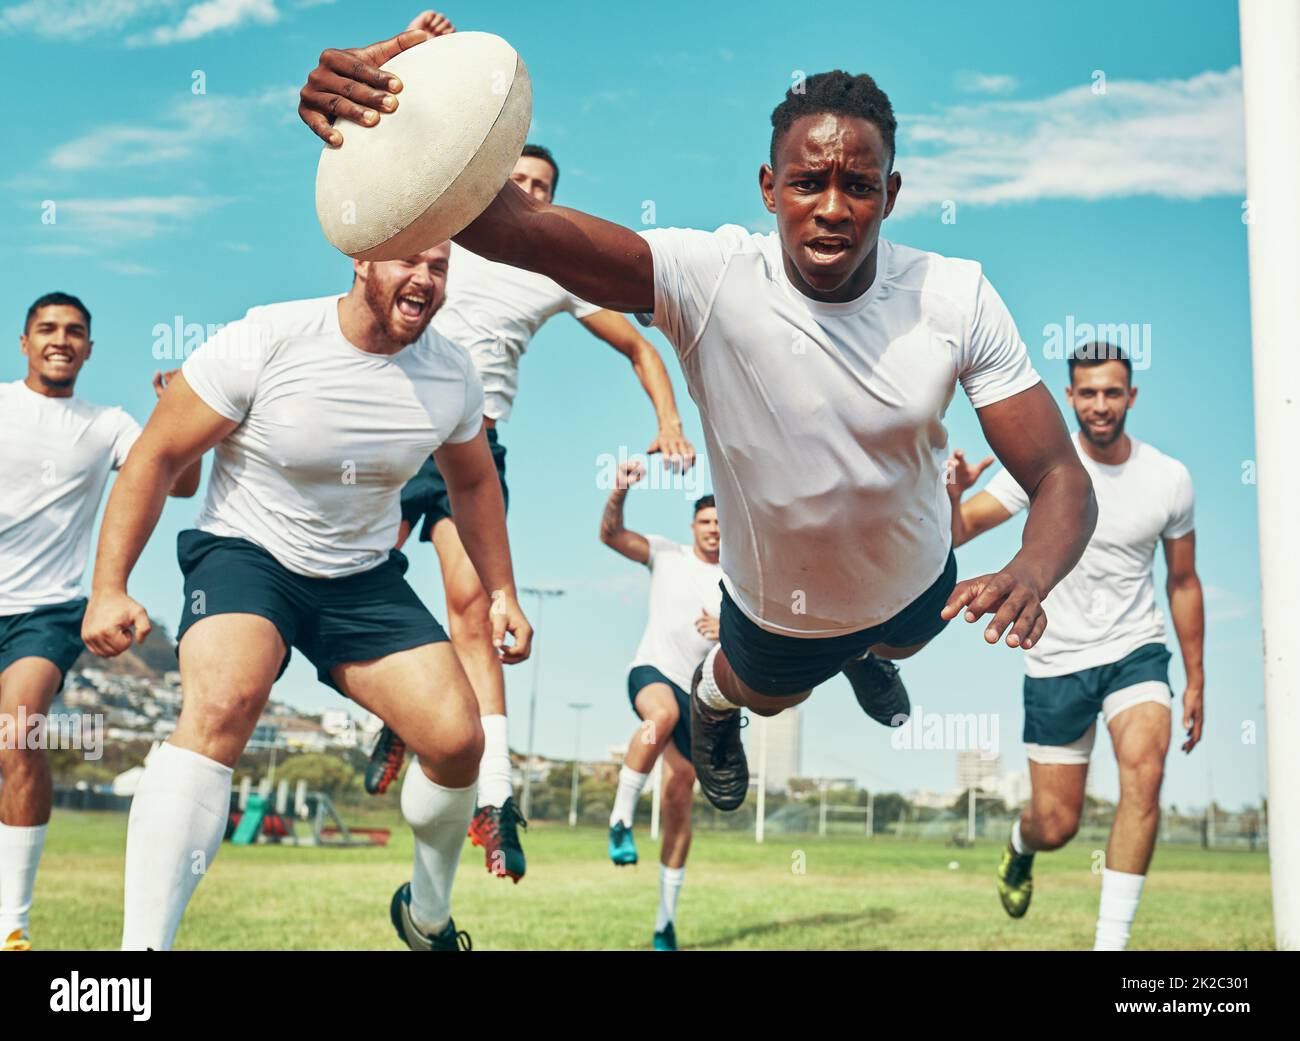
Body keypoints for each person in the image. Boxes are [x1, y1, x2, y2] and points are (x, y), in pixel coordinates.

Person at [298, 42, 1098, 815]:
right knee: (769, 698)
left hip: (916, 579)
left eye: (858, 186)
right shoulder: (706, 278)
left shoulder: (955, 296)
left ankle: (866, 653)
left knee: (901, 643)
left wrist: (1032, 571)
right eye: (807, 182)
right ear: (768, 187)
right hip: (781, 609)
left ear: (890, 194)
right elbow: (514, 229)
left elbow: (1061, 474)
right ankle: (713, 701)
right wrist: (380, 121)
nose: (831, 208)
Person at [81, 243, 532, 951]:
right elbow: (158, 454)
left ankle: (426, 916)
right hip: (247, 554)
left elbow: (473, 481)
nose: (425, 279)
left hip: (361, 576)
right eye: (408, 261)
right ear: (362, 260)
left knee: (457, 739)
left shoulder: (451, 372)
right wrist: (109, 587)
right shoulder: (267, 337)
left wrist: (502, 590)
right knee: (223, 702)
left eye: (440, 267)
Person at [354, 11, 698, 888]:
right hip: (392, 424)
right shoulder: (440, 230)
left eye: (543, 186)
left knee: (474, 610)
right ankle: (403, 702)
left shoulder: (552, 272)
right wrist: (418, 55)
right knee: (352, 569)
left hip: (476, 446)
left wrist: (669, 420)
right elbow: (397, 139)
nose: (530, 191)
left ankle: (496, 798)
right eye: (518, 178)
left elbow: (639, 346)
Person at [948, 342, 1204, 951]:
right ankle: (1020, 846)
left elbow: (1183, 581)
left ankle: (1110, 944)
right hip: (1056, 660)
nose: (1100, 405)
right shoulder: (1044, 467)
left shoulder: (1169, 478)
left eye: (1112, 392)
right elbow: (960, 530)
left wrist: (1195, 677)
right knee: (1056, 824)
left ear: (1131, 396)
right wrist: (953, 497)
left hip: (1136, 651)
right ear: (1069, 396)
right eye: (1088, 393)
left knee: (1145, 774)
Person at [0, 292, 200, 952]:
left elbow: (178, 481)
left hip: (47, 610)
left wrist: (179, 413)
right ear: (24, 342)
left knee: (18, 731)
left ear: (89, 348)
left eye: (74, 331)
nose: (61, 339)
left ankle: (10, 927)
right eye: (47, 329)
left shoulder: (107, 424)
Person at [600, 460, 720, 951]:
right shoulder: (667, 554)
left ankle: (664, 923)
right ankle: (620, 820)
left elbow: (762, 638)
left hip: (701, 696)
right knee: (660, 715)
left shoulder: (740, 580)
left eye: (721, 523)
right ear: (693, 527)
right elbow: (611, 535)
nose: (714, 529)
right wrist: (618, 492)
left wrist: (727, 629)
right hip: (653, 672)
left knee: (678, 797)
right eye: (706, 521)